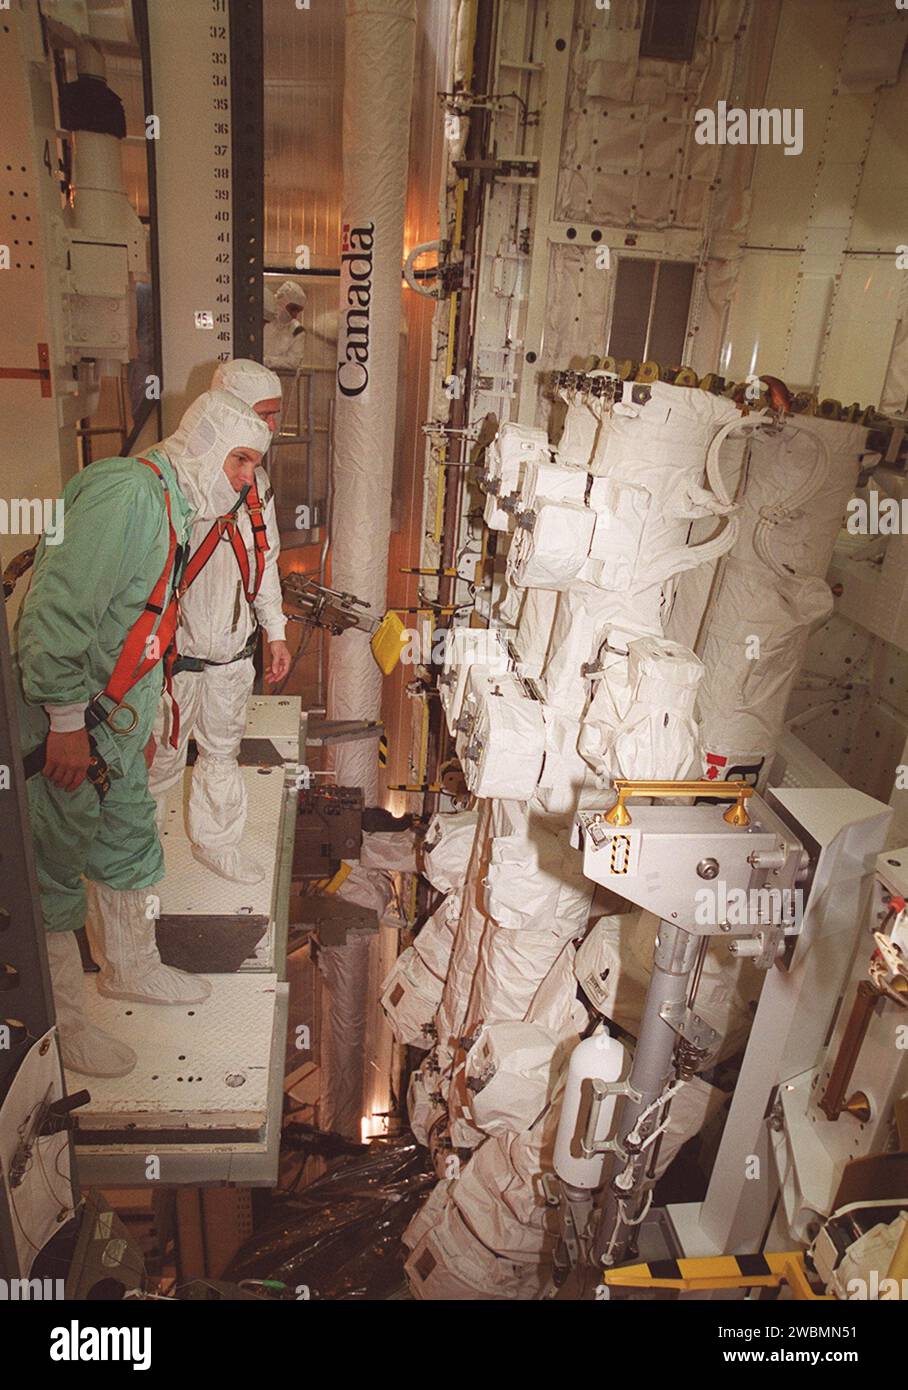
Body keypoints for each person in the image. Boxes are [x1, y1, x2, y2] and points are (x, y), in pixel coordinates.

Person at [14, 391, 271, 1077]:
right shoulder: (126, 495)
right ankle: (60, 1027)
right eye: (240, 459)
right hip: (64, 728)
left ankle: (130, 968)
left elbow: (140, 618)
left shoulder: (176, 509)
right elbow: (53, 616)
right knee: (52, 873)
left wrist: (147, 705)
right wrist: (67, 722)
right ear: (205, 443)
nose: (247, 478)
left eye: (254, 464)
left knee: (127, 837)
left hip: (119, 721)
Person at [148, 365, 290, 884]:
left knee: (222, 752)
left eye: (277, 416)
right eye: (265, 415)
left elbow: (266, 559)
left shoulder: (257, 486)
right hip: (171, 659)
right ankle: (140, 855)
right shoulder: (174, 480)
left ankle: (216, 842)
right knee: (159, 761)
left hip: (231, 653)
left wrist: (274, 631)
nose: (272, 427)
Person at [263, 280, 307, 371]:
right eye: (293, 309)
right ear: (282, 301)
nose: (294, 315)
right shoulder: (264, 320)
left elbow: (293, 362)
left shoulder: (297, 331)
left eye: (298, 311)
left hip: (283, 383)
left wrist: (265, 361)